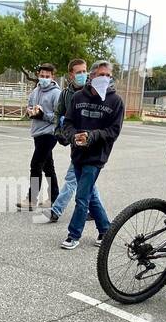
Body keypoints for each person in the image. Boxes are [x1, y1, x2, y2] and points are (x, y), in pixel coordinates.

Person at [59, 60, 122, 250]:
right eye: (101, 74)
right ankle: (106, 230)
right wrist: (73, 137)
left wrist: (92, 136)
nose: (105, 78)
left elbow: (114, 131)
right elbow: (68, 122)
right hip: (77, 153)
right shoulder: (78, 97)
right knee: (90, 194)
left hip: (96, 157)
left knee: (82, 196)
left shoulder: (115, 101)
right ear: (92, 76)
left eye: (108, 75)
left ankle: (73, 234)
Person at [33, 58, 88, 225]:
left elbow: (54, 116)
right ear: (71, 74)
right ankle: (99, 218)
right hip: (63, 139)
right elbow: (60, 115)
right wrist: (62, 134)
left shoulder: (90, 92)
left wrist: (44, 116)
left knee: (40, 166)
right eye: (78, 72)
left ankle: (53, 208)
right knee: (85, 179)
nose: (82, 75)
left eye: (84, 71)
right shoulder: (64, 93)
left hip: (83, 141)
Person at [18, 63, 61, 211]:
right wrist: (30, 112)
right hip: (37, 133)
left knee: (35, 165)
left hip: (49, 134)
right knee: (48, 167)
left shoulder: (56, 93)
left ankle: (31, 199)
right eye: (42, 76)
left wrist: (43, 115)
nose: (44, 79)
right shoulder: (35, 91)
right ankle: (55, 197)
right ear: (38, 75)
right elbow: (29, 107)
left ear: (52, 77)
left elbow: (58, 117)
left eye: (47, 76)